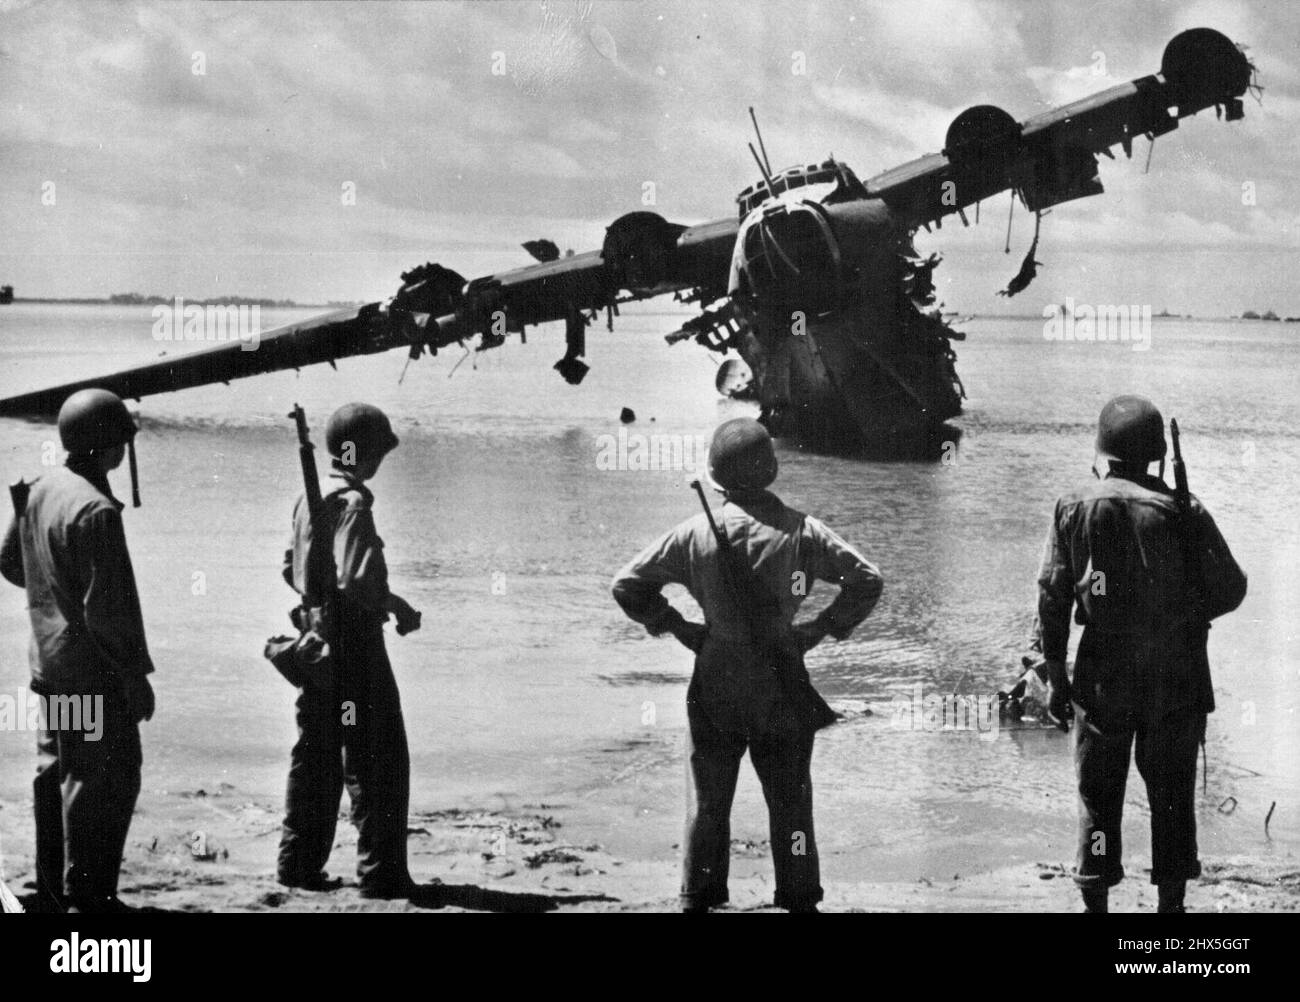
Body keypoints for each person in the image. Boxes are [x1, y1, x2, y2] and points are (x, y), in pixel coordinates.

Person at [611, 417, 883, 912]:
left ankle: (699, 898)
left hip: (716, 679)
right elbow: (868, 580)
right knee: (792, 806)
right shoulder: (804, 531)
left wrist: (678, 626)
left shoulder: (694, 533)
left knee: (709, 803)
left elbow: (626, 585)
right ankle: (799, 898)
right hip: (782, 680)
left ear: (716, 478)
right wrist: (819, 628)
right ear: (772, 472)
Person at [1028, 395, 1247, 913]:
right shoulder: (1183, 509)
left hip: (1105, 667)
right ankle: (1171, 910)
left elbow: (1051, 596)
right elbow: (1232, 588)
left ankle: (1096, 903)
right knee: (1171, 795)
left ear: (1103, 450)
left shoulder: (1073, 504)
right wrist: (1188, 610)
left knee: (1097, 795)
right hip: (1178, 669)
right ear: (1154, 454)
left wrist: (1055, 674)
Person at [0, 388, 154, 913]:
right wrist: (135, 676)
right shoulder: (95, 511)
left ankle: (51, 888)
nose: (123, 450)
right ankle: (89, 896)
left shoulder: (41, 488)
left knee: (57, 773)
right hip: (91, 674)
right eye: (121, 441)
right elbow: (110, 614)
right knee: (106, 776)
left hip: (48, 664)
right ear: (108, 445)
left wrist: (52, 591)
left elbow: (12, 563)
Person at [277, 402, 423, 899]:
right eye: (378, 451)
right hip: (355, 647)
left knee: (315, 754)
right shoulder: (354, 504)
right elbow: (359, 581)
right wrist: (394, 605)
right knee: (377, 757)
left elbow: (288, 568)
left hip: (315, 644)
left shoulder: (310, 497)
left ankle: (297, 865)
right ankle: (381, 875)